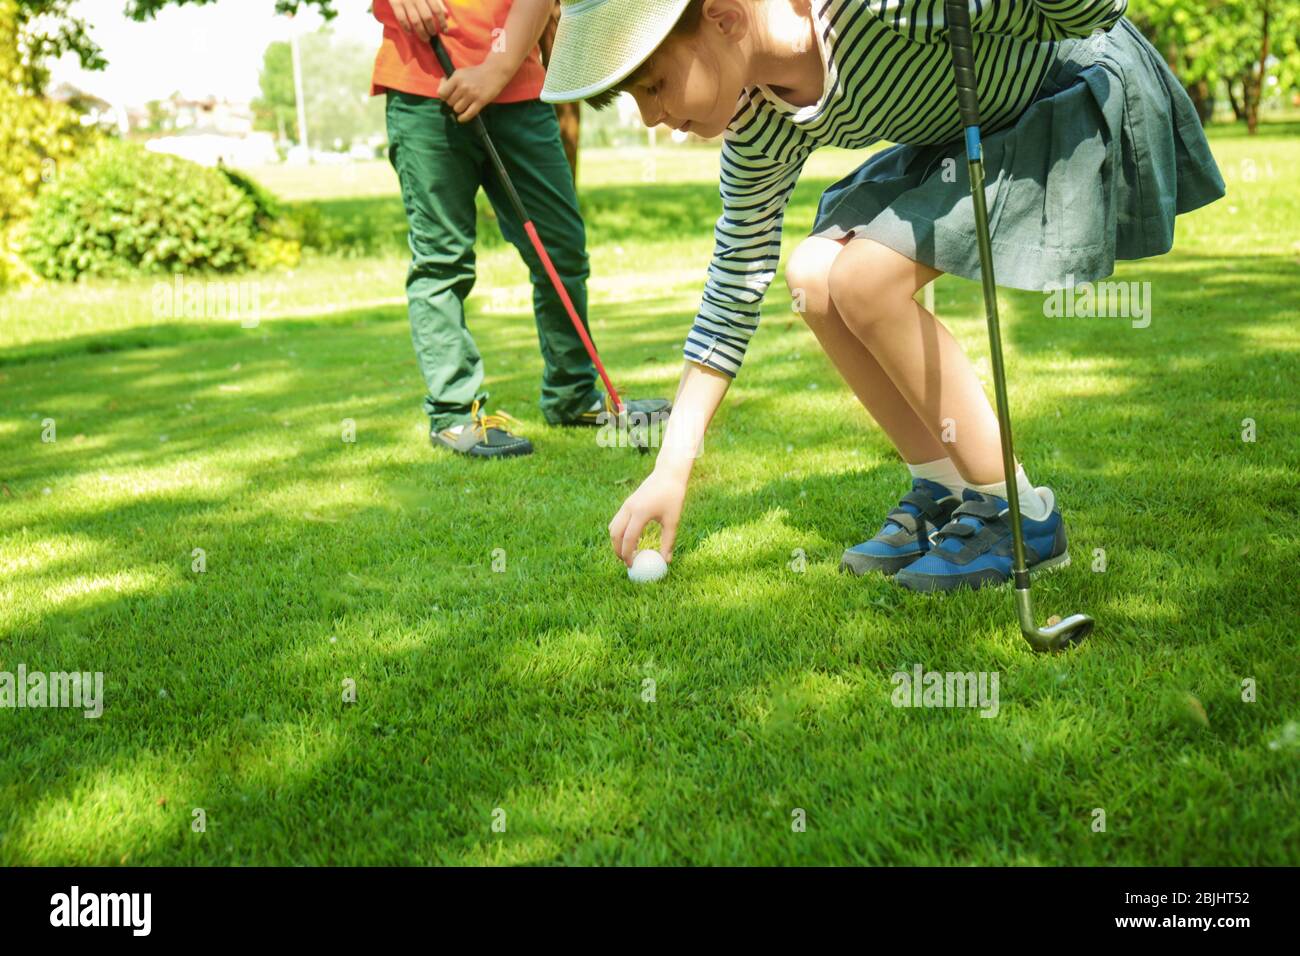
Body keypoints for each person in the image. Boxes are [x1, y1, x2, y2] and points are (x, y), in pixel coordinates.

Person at [540, 0, 1223, 589]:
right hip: (963, 130)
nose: (654, 116)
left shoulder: (875, 9)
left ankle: (1021, 514)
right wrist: (671, 467)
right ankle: (950, 489)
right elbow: (733, 282)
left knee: (866, 279)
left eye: (654, 85)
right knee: (813, 275)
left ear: (722, 17)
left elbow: (1089, 15)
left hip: (1069, 92)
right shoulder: (760, 121)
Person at [372, 0, 669, 458]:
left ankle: (572, 394)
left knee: (561, 248)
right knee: (442, 258)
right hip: (424, 84)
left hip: (517, 86)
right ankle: (454, 413)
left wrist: (496, 68)